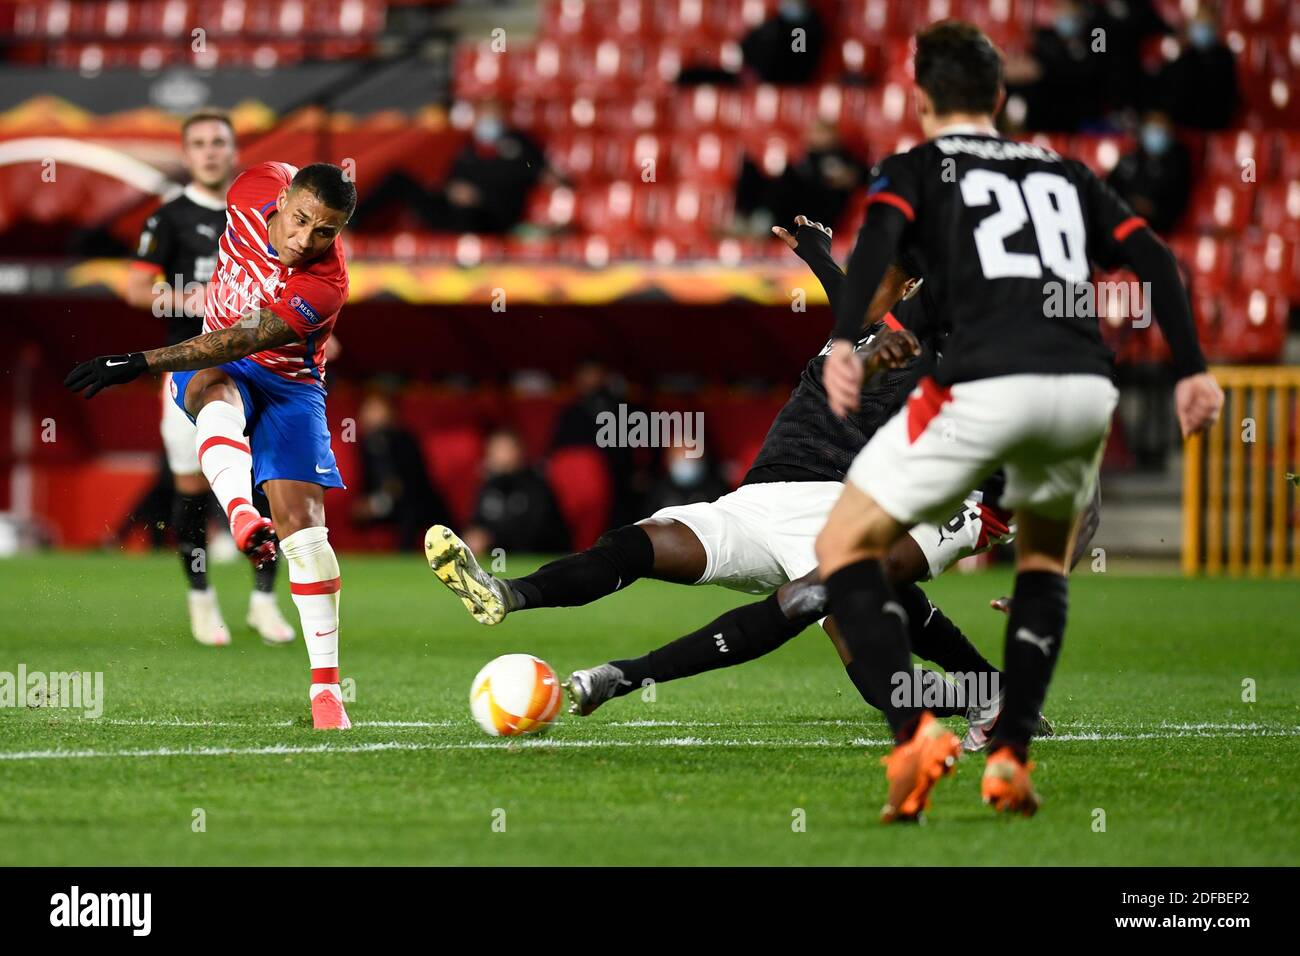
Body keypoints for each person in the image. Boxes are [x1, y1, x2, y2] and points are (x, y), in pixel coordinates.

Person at [423, 217, 1043, 750]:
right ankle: (507, 593)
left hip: (836, 511)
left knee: (873, 673)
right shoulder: (853, 332)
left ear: (911, 288)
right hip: (754, 503)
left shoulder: (924, 351)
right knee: (637, 542)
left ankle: (984, 694)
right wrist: (817, 254)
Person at [816, 21, 1222, 820]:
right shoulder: (1064, 170)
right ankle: (1009, 762)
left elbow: (880, 248)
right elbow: (1154, 261)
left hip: (987, 381)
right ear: (1000, 97)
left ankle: (914, 733)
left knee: (840, 547)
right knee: (1042, 567)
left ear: (922, 97)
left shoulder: (918, 166)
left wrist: (840, 340)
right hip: (1079, 389)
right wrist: (1192, 369)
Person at [64, 162, 359, 731]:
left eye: (325, 231)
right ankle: (243, 514)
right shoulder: (251, 187)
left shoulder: (326, 283)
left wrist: (140, 361)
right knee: (211, 385)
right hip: (220, 362)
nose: (306, 240)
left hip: (292, 385)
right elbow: (225, 347)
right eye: (300, 220)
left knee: (307, 532)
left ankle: (327, 692)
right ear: (285, 198)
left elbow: (247, 334)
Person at [124, 109, 294, 647]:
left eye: (218, 141)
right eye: (198, 143)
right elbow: (135, 289)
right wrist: (184, 298)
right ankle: (201, 600)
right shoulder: (169, 217)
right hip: (190, 369)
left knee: (269, 487)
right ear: (186, 153)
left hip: (260, 365)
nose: (209, 151)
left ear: (234, 148)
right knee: (192, 492)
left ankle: (265, 603)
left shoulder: (270, 211)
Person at [352, 390, 448, 552]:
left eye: (376, 409)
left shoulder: (405, 440)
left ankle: (405, 557)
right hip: (384, 502)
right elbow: (367, 482)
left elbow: (410, 483)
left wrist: (377, 503)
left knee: (408, 512)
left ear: (389, 412)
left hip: (415, 501)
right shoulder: (364, 445)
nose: (370, 415)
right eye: (368, 409)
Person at [462, 430, 570, 557]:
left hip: (537, 559)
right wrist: (473, 537)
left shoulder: (536, 486)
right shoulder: (488, 487)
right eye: (495, 450)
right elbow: (477, 523)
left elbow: (535, 534)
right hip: (497, 558)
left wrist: (491, 539)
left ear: (519, 451)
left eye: (504, 449)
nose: (499, 456)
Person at [1151, 4, 1238, 130]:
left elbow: (1229, 95)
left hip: (1219, 123)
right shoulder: (1183, 59)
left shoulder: (1225, 57)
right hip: (1188, 125)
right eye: (1198, 26)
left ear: (1215, 28)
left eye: (1206, 26)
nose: (1201, 31)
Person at [1106, 111, 1191, 234]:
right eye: (1151, 128)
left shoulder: (1177, 166)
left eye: (1159, 129)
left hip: (1157, 230)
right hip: (1123, 223)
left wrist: (1152, 210)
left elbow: (1176, 206)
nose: (1154, 135)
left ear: (1169, 133)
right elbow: (1109, 190)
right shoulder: (1130, 160)